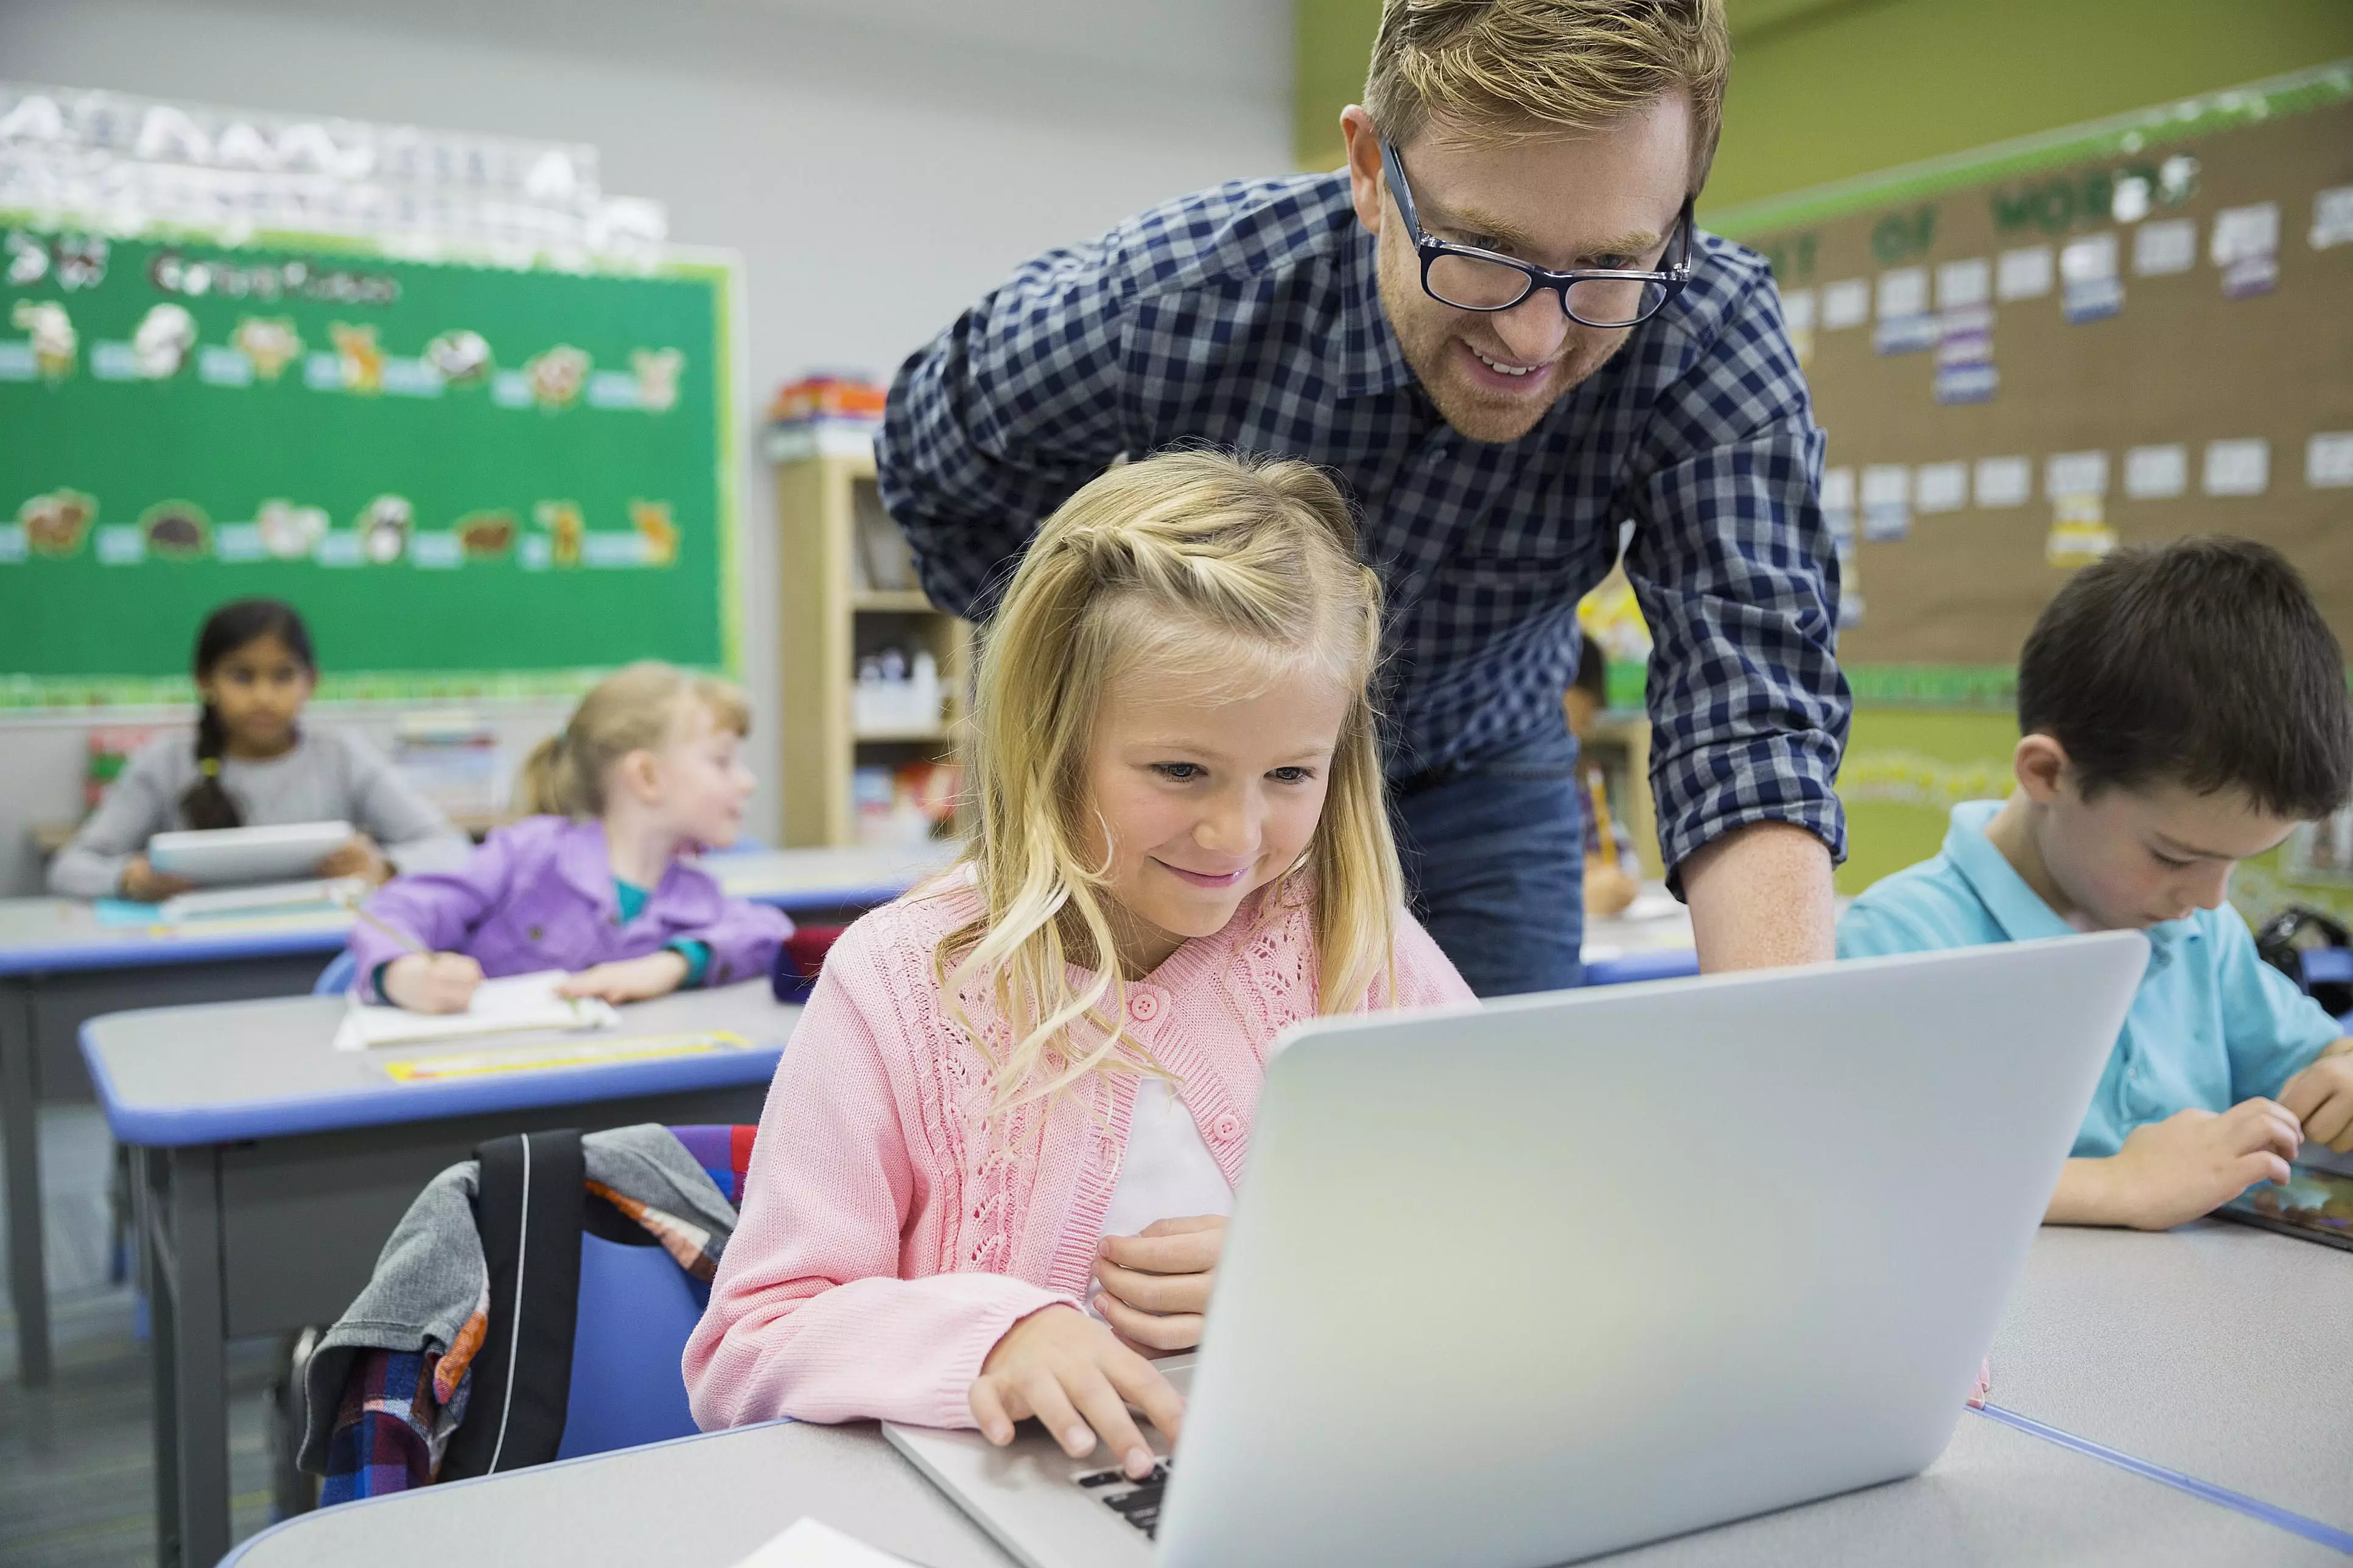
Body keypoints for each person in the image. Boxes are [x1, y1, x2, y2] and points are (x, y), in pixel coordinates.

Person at [877, 0, 1846, 996]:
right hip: (1191, 778)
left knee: (1481, 1112)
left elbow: (1751, 717)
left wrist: (1789, 1052)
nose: (1534, 340)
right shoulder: (1187, 290)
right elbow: (935, 461)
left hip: (1479, 776)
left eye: (1606, 267)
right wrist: (1071, 733)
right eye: (1485, 250)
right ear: (1373, 170)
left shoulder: (1709, 332)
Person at [684, 452, 1476, 1478]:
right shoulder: (900, 982)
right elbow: (750, 1344)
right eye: (1180, 770)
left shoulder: (1356, 944)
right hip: (999, 1511)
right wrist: (993, 1337)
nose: (1234, 834)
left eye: (1290, 774)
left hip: (1306, 1481)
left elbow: (1499, 1238)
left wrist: (1315, 1272)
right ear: (1052, 738)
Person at [1839, 539, 2353, 1230]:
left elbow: (2320, 1056)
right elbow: (1861, 1175)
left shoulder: (2200, 933)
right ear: (2048, 774)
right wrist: (2116, 1184)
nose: (2210, 897)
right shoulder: (1900, 941)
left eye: (2240, 862)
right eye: (2175, 856)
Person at [346, 662, 789, 1012]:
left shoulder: (695, 894)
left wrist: (670, 966)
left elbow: (769, 932)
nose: (746, 782)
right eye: (722, 761)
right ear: (647, 776)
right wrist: (404, 975)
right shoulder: (527, 855)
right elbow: (392, 910)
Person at [48, 597, 467, 900]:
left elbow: (452, 849)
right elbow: (70, 869)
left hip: (317, 951)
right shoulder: (165, 763)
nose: (264, 697)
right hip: (188, 958)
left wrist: (386, 867)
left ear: (312, 682)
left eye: (283, 676)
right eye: (242, 676)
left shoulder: (342, 757)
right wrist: (128, 877)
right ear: (204, 681)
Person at [1563, 650, 1643, 915]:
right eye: (1579, 717)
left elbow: (1626, 866)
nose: (1581, 733)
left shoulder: (1580, 793)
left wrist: (1615, 879)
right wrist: (1571, 889)